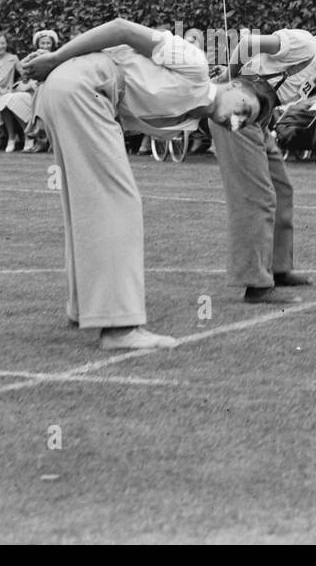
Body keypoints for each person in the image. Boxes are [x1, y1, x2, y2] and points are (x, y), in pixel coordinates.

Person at [22, 19, 277, 350]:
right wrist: (54, 58)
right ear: (232, 85)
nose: (236, 120)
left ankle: (83, 308)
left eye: (244, 122)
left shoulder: (189, 117)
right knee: (119, 205)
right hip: (83, 86)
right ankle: (120, 328)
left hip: (75, 91)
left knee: (88, 203)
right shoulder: (196, 65)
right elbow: (121, 30)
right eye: (244, 107)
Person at [212, 25, 316, 303]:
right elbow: (249, 43)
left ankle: (278, 268)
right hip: (238, 108)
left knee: (282, 189)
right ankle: (256, 284)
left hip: (256, 116)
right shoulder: (307, 45)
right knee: (257, 197)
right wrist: (228, 77)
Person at [2, 30, 57, 153]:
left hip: (50, 91)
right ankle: (35, 131)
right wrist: (31, 57)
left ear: (52, 44)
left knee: (41, 92)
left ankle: (33, 129)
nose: (45, 46)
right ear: (38, 44)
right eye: (42, 43)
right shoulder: (34, 56)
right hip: (33, 91)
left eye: (48, 43)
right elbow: (21, 66)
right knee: (12, 98)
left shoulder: (56, 57)